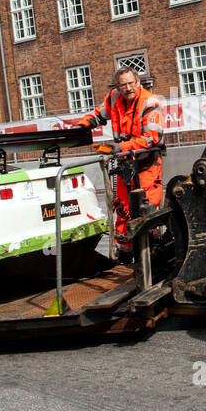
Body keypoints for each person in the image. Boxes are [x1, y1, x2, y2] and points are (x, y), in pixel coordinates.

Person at [74, 67, 164, 264]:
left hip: (147, 165)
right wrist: (81, 127)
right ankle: (125, 255)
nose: (128, 88)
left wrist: (120, 147)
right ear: (117, 86)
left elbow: (152, 139)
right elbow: (98, 115)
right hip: (125, 164)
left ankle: (153, 254)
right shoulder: (114, 98)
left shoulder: (149, 102)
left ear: (137, 82)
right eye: (123, 85)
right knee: (123, 211)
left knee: (146, 211)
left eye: (131, 83)